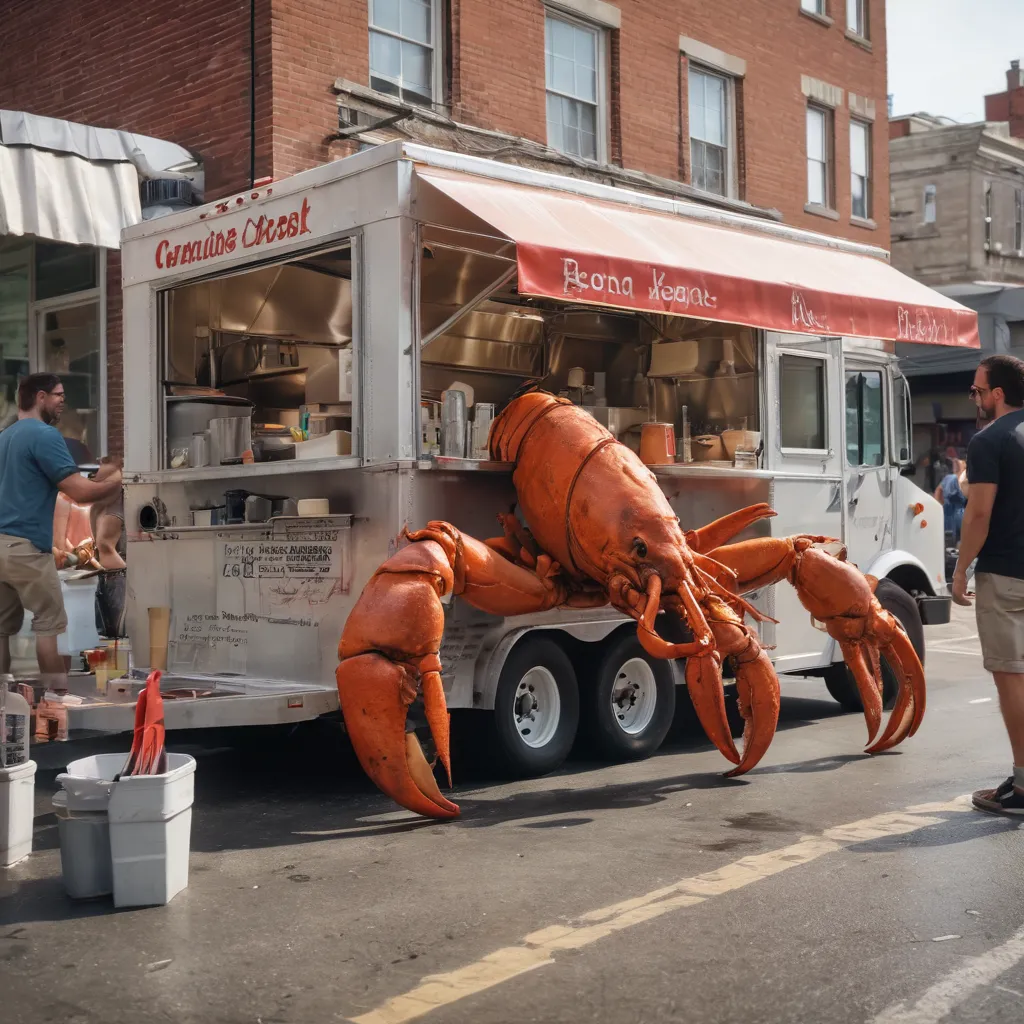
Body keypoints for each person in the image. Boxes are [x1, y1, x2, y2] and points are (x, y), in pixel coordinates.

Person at [0, 373, 122, 690]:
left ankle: (2, 708)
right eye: (59, 396)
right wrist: (122, 481)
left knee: (1, 632)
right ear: (40, 397)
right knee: (47, 627)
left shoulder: (3, 437)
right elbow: (78, 491)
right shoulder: (44, 436)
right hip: (26, 549)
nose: (62, 403)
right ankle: (56, 707)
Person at [952, 354, 1024, 815]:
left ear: (997, 394)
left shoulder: (988, 441)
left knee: (1012, 677)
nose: (974, 398)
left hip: (1005, 574)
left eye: (978, 391)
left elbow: (979, 515)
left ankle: (1023, 787)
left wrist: (960, 570)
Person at [934, 457, 967, 544]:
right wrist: (938, 505)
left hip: (957, 513)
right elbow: (939, 490)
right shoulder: (949, 478)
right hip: (950, 513)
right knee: (949, 539)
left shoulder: (964, 479)